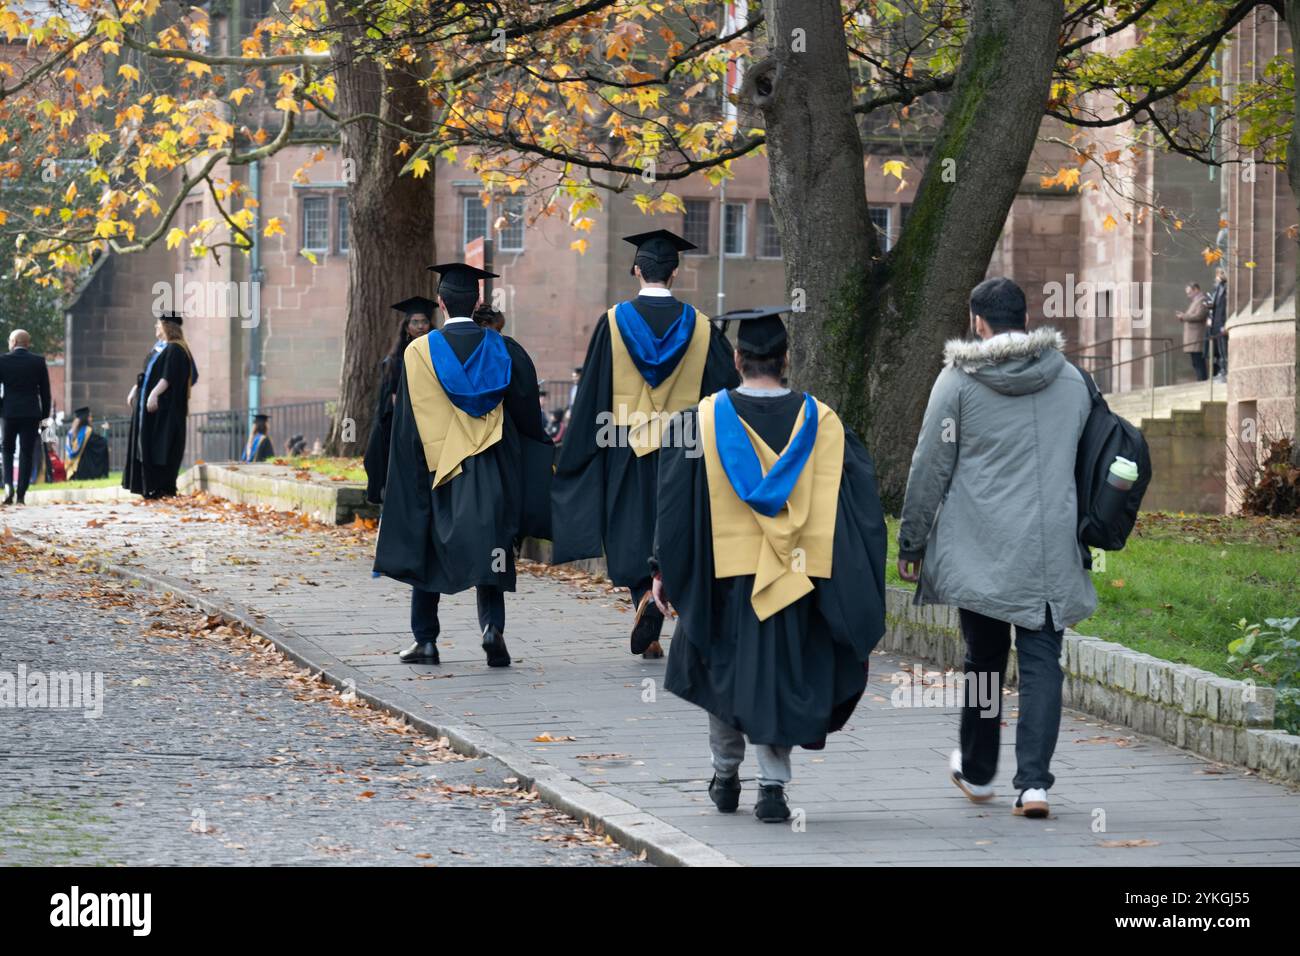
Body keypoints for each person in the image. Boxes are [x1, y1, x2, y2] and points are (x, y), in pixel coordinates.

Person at [652, 306, 887, 822]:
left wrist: (664, 568)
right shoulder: (824, 425)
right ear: (786, 360)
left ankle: (725, 772)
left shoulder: (700, 422)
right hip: (799, 578)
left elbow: (672, 506)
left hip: (723, 575)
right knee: (779, 672)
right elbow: (862, 513)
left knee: (721, 671)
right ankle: (774, 787)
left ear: (736, 359)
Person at [897, 277, 1096, 820]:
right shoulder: (1073, 380)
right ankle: (1034, 786)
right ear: (1024, 318)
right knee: (1041, 663)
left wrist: (912, 540)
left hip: (979, 548)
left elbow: (929, 464)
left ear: (978, 322)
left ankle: (979, 771)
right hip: (1051, 547)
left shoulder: (958, 380)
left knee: (984, 660)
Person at [551, 229, 739, 659]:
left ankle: (644, 598)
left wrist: (575, 452)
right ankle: (668, 598)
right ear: (675, 271)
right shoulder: (703, 327)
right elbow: (722, 390)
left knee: (634, 529)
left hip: (625, 444)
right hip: (687, 448)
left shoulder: (613, 322)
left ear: (637, 270)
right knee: (679, 524)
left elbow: (594, 390)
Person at [374, 263, 553, 668]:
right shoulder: (505, 349)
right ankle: (492, 629)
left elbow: (408, 426)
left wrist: (402, 478)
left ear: (440, 303)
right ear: (476, 301)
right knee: (493, 544)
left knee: (429, 543)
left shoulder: (417, 352)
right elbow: (528, 416)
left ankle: (427, 641)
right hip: (494, 467)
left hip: (438, 469)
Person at [364, 298, 435, 504]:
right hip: (403, 415)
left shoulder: (437, 346)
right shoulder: (396, 356)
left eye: (424, 321)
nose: (420, 326)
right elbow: (391, 394)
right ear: (406, 326)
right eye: (415, 322)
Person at [122, 311, 198, 499]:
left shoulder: (176, 349)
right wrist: (135, 389)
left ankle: (161, 487)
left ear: (167, 327)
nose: (156, 327)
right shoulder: (159, 348)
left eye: (158, 324)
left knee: (161, 445)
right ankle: (148, 486)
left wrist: (154, 395)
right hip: (151, 409)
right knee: (148, 444)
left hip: (165, 410)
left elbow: (169, 376)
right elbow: (148, 373)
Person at [0, 329, 52, 505]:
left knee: (7, 450)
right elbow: (46, 394)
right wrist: (45, 420)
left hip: (9, 413)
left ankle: (8, 485)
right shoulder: (38, 362)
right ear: (27, 343)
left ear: (13, 342)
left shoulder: (3, 360)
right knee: (26, 452)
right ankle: (21, 494)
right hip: (31, 413)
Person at [64, 407, 111, 479]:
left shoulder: (71, 432)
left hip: (73, 469)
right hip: (84, 471)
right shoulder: (87, 431)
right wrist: (105, 431)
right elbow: (101, 444)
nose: (91, 419)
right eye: (89, 416)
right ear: (85, 418)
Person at [1176, 282, 1210, 382]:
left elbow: (1200, 315)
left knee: (1198, 360)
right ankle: (1200, 379)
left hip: (1197, 336)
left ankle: (1202, 380)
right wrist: (1183, 316)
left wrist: (1184, 316)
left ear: (1196, 289)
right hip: (1192, 336)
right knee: (1195, 361)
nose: (1188, 295)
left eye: (1190, 292)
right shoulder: (1195, 301)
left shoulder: (1202, 300)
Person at [1208, 266, 1228, 382]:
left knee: (1224, 349)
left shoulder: (1226, 288)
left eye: (1220, 273)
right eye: (1217, 274)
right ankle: (1222, 370)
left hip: (1222, 322)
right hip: (1216, 323)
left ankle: (1225, 370)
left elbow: (1226, 307)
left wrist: (1224, 324)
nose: (1218, 276)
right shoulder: (1218, 288)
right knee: (1220, 350)